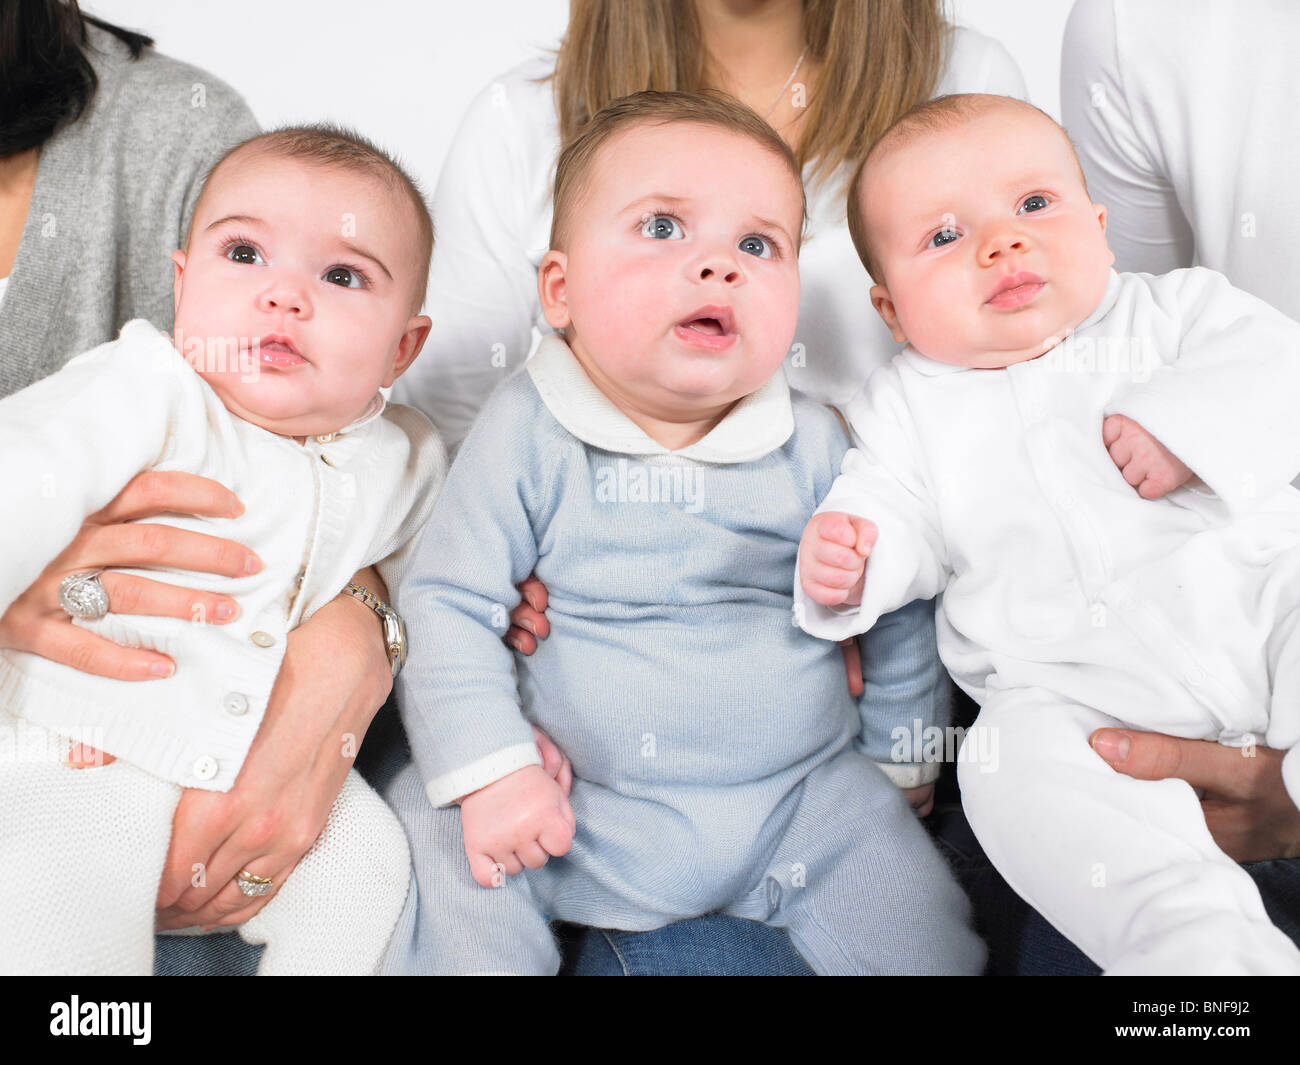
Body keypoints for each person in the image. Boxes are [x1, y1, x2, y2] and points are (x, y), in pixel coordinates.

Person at [387, 0, 1026, 975]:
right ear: (555, 292)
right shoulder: (526, 429)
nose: (716, 263)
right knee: (443, 835)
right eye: (660, 228)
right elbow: (444, 601)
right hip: (577, 792)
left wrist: (900, 756)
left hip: (798, 792)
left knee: (916, 916)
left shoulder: (818, 442)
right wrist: (497, 766)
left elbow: (898, 605)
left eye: (759, 247)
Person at [794, 92, 1300, 973]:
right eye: (944, 237)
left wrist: (1190, 427)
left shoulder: (1174, 314)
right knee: (1001, 761)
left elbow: (1279, 370)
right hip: (1072, 686)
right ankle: (1194, 950)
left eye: (1034, 205)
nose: (1001, 242)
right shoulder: (906, 408)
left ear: (1101, 228)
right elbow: (889, 506)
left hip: (1259, 606)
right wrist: (852, 557)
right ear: (890, 309)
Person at [0, 2, 402, 970]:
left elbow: (458, 552)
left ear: (405, 345)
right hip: (80, 744)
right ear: (180, 285)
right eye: (245, 258)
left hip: (239, 727)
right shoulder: (146, 386)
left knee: (370, 867)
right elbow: (25, 485)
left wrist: (365, 625)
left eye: (342, 276)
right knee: (69, 934)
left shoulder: (395, 444)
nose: (284, 292)